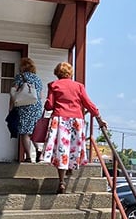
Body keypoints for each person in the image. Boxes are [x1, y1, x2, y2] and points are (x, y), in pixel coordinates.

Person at [42, 62, 106, 194]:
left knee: (61, 150)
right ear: (70, 73)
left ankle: (61, 181)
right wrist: (99, 118)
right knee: (73, 147)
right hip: (76, 120)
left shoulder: (53, 85)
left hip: (60, 119)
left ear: (57, 73)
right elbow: (88, 104)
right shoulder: (79, 86)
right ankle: (70, 167)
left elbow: (49, 106)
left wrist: (48, 102)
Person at [10, 57, 43, 162]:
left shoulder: (20, 77)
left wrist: (11, 106)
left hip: (24, 107)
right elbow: (40, 96)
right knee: (34, 132)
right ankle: (39, 150)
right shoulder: (38, 79)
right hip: (36, 107)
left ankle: (28, 157)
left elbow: (13, 93)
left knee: (25, 133)